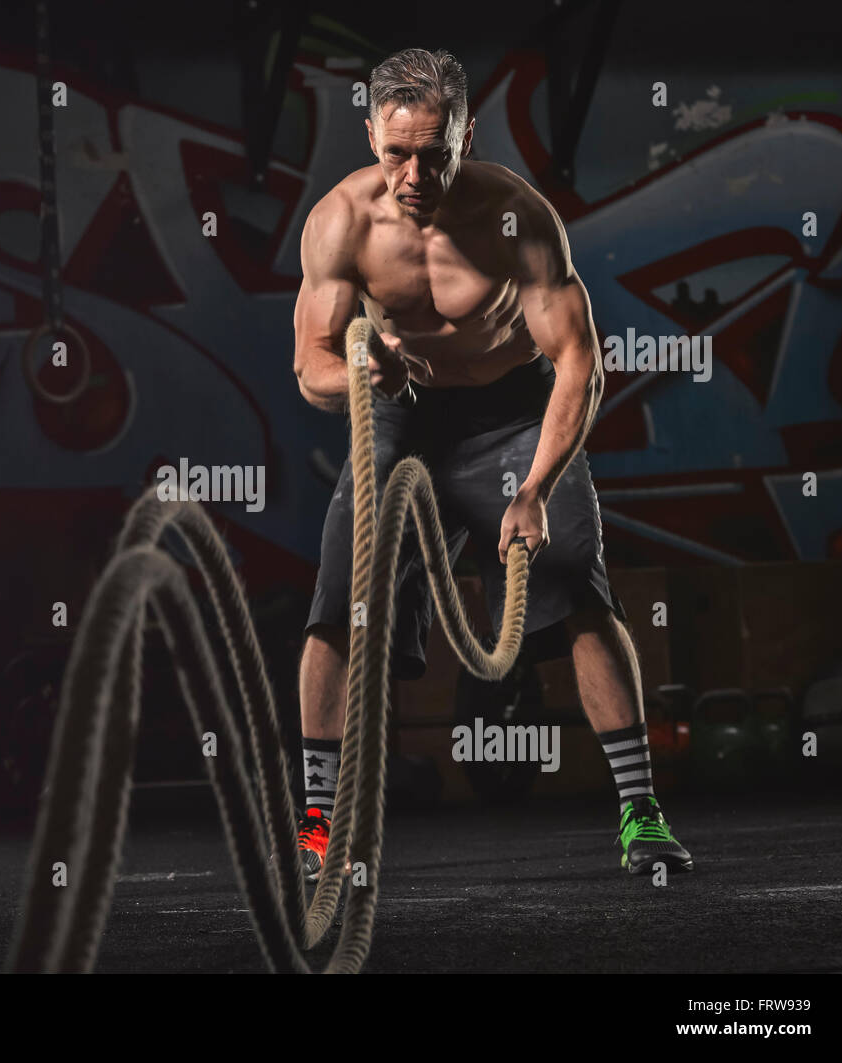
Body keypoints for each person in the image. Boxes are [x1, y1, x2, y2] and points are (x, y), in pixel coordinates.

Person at [292, 47, 692, 879]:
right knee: (339, 602)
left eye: (433, 153)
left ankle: (639, 811)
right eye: (396, 151)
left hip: (513, 412)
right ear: (370, 133)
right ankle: (320, 824)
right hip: (402, 416)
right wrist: (360, 373)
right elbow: (311, 366)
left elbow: (580, 361)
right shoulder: (340, 223)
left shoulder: (518, 217)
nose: (412, 173)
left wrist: (537, 487)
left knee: (580, 588)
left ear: (466, 135)